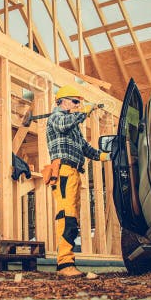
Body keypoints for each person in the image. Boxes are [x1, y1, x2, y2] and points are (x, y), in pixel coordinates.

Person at [46, 84, 109, 278]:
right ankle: (65, 264)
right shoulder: (56, 117)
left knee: (72, 218)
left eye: (79, 102)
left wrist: (108, 156)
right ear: (62, 102)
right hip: (63, 171)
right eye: (75, 101)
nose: (77, 105)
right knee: (67, 217)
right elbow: (64, 124)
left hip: (74, 173)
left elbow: (87, 150)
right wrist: (84, 112)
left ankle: (68, 262)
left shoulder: (75, 129)